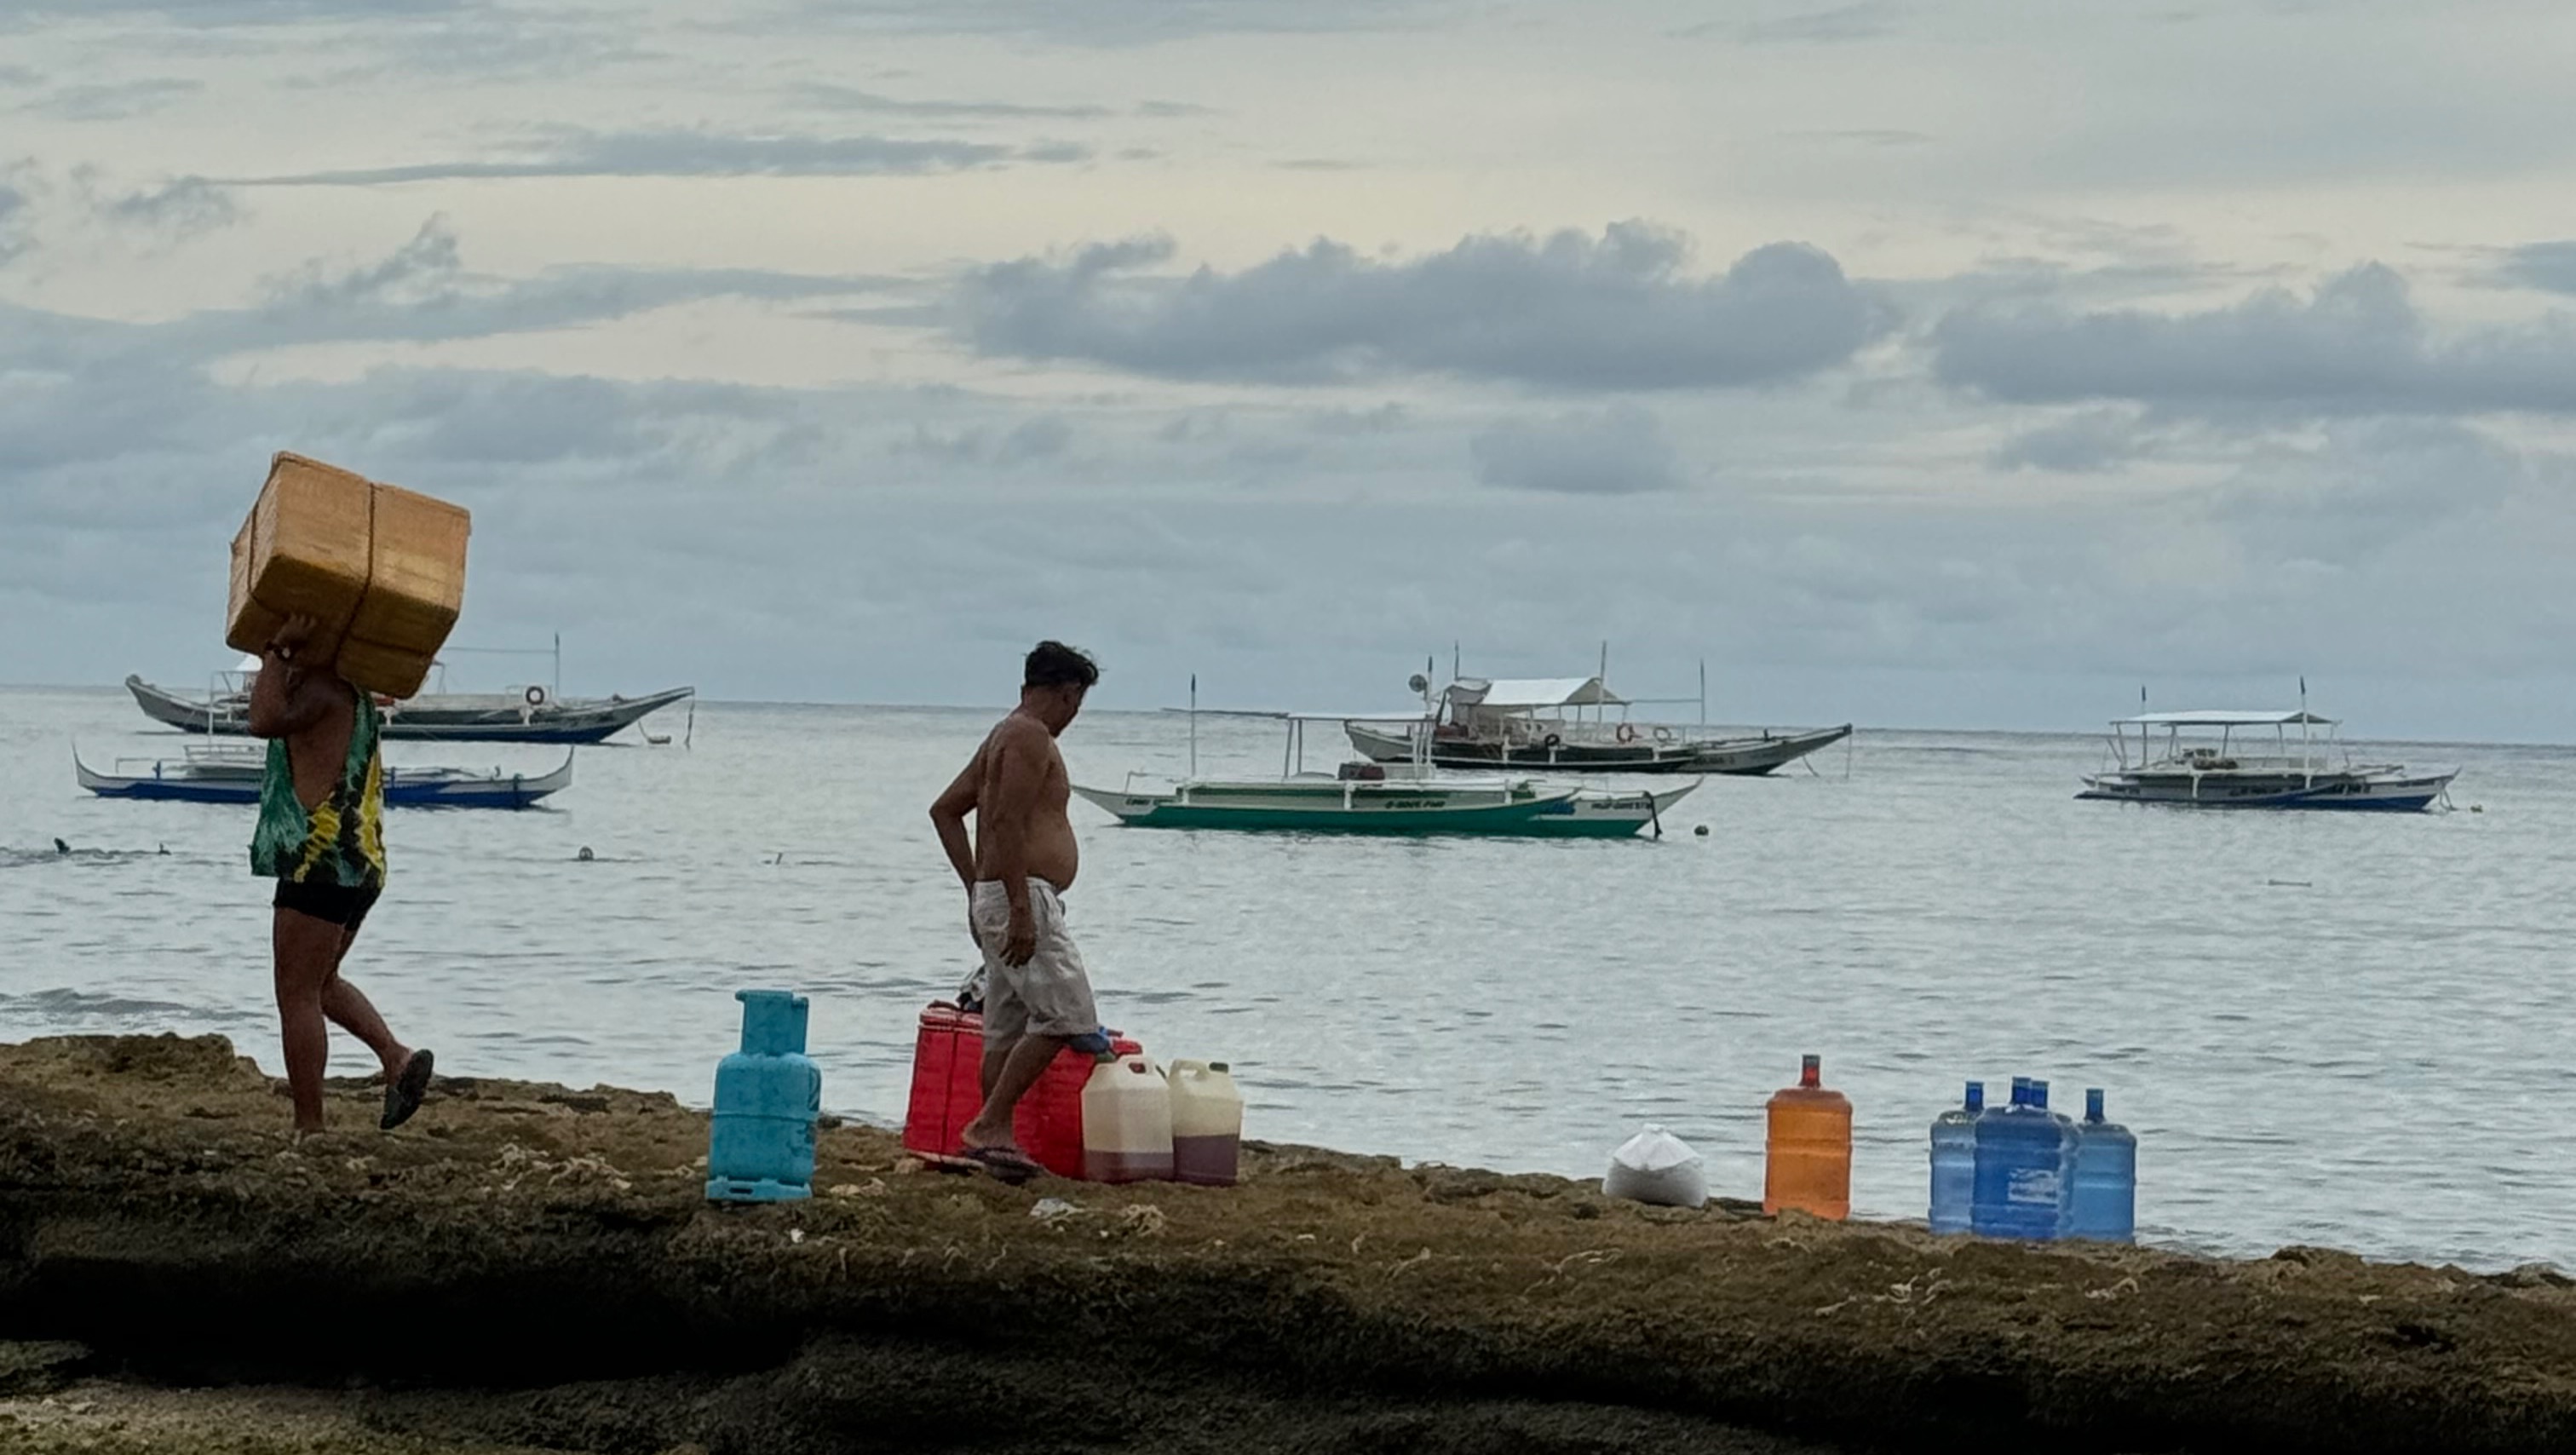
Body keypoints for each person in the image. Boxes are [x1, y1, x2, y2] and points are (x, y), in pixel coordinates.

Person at [245, 613, 434, 1135]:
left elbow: (261, 718)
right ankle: (396, 1058)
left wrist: (277, 654)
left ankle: (310, 1127)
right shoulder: (353, 693)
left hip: (321, 861)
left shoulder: (324, 691)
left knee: (296, 993)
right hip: (359, 861)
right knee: (320, 982)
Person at [928, 640, 1105, 1182]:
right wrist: (1020, 908)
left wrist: (977, 892)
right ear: (1065, 694)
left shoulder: (1003, 733)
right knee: (1069, 1017)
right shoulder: (1030, 735)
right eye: (1075, 702)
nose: (1074, 714)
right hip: (1021, 895)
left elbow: (947, 811)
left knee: (1005, 1026)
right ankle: (990, 1125)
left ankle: (994, 1143)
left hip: (1000, 894)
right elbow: (1004, 822)